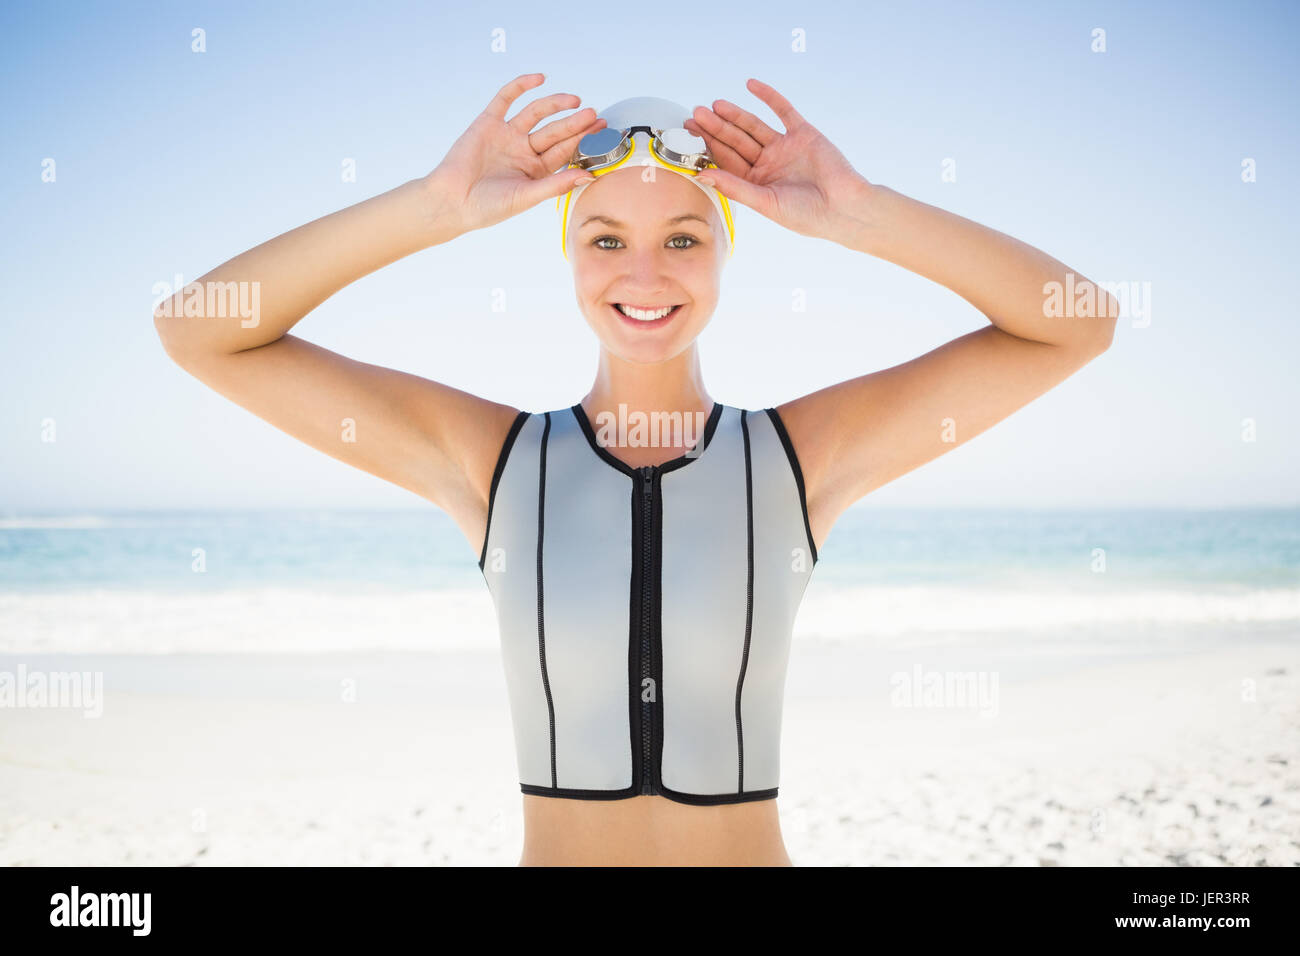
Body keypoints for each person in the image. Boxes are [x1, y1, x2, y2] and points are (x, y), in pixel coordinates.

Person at [153, 72, 1117, 866]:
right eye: (606, 238)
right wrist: (434, 208)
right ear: (568, 255)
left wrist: (861, 216)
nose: (645, 276)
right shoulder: (492, 461)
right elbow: (201, 331)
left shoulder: (796, 459)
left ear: (726, 255)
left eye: (683, 240)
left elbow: (1076, 321)